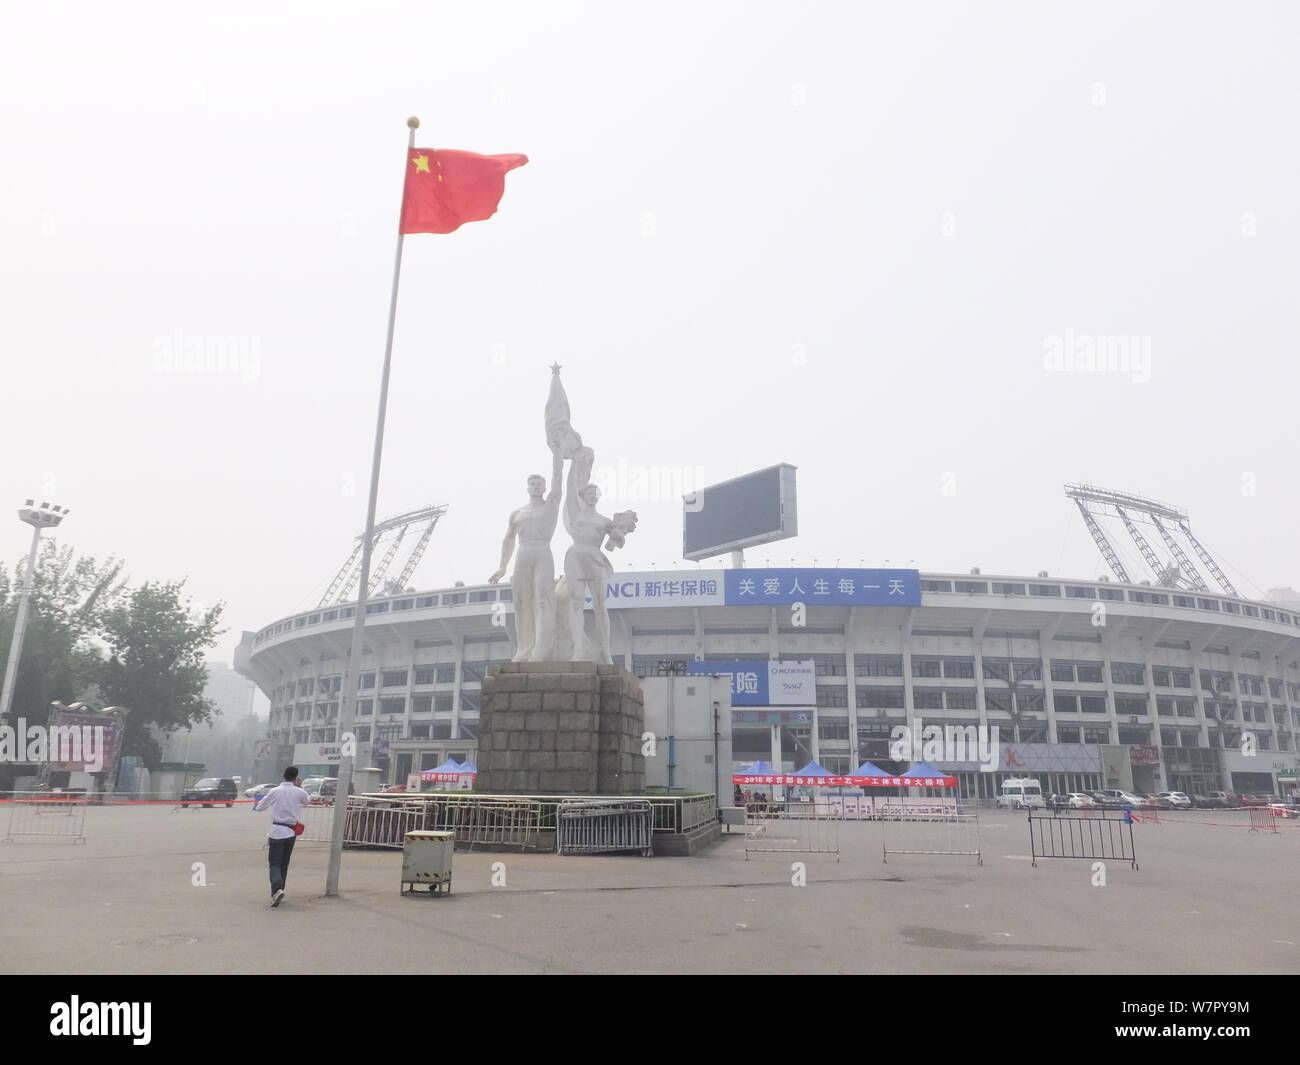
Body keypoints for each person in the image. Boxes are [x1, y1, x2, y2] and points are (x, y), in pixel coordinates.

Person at [253, 766, 312, 908]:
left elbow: (260, 807)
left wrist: (258, 805)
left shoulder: (275, 791)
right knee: (284, 864)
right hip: (291, 833)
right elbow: (308, 801)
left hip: (276, 831)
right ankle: (280, 890)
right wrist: (300, 787)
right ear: (296, 777)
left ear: (283, 776)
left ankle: (276, 890)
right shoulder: (299, 792)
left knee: (274, 864)